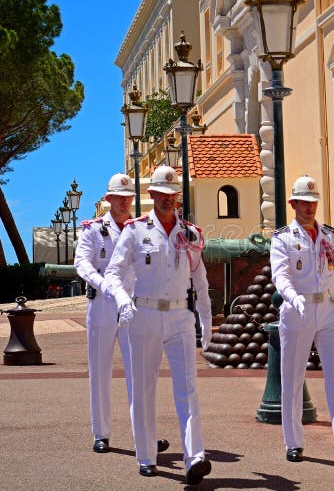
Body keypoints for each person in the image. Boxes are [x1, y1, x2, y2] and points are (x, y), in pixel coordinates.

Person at [104, 166, 213, 485]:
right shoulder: (135, 231)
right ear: (151, 195)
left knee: (188, 389)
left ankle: (195, 457)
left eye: (172, 195)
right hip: (145, 315)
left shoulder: (189, 234)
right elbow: (113, 272)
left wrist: (205, 319)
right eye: (161, 194)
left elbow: (201, 279)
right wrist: (122, 299)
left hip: (180, 316)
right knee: (144, 387)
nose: (167, 199)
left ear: (177, 197)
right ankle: (146, 456)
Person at [269, 175, 334, 466]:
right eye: (304, 202)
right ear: (293, 204)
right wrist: (292, 296)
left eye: (313, 202)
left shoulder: (330, 236)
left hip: (327, 310)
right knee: (292, 379)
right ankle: (293, 442)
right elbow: (280, 275)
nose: (310, 207)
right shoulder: (283, 239)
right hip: (297, 310)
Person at [73, 173, 170, 456]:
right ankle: (101, 433)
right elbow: (82, 264)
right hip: (103, 304)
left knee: (139, 373)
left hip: (133, 305)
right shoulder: (93, 230)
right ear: (108, 199)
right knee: (100, 371)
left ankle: (146, 436)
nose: (126, 202)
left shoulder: (140, 229)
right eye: (120, 197)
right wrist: (103, 284)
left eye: (129, 198)